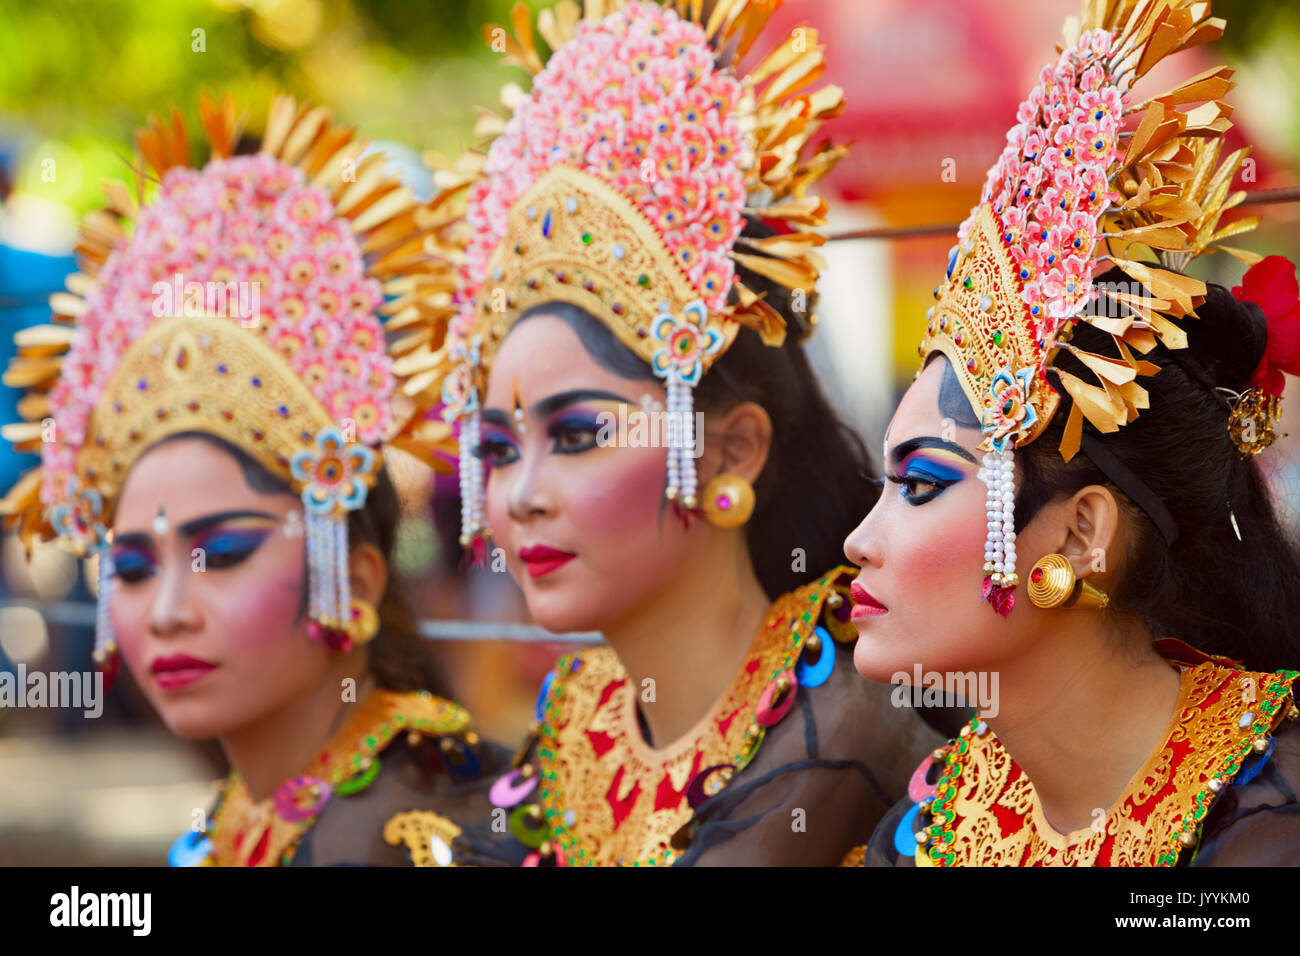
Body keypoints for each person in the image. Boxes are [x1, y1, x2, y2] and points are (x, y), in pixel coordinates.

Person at [415, 0, 950, 866]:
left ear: (730, 451)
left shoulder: (845, 710)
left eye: (580, 434)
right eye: (499, 450)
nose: (524, 496)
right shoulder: (581, 710)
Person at [842, 0, 1300, 867]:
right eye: (884, 488)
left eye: (924, 484)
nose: (858, 541)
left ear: (1084, 532)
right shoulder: (931, 825)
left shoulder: (1269, 822)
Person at [0, 94, 505, 866]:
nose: (167, 612)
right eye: (131, 567)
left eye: (223, 554)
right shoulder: (246, 818)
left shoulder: (413, 840)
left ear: (359, 579)